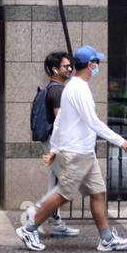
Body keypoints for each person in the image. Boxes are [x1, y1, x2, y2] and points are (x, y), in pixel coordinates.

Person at [17, 45, 127, 252]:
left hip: (84, 153)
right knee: (63, 194)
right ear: (90, 65)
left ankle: (106, 238)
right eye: (96, 62)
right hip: (77, 153)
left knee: (98, 192)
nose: (98, 66)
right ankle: (29, 228)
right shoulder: (78, 89)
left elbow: (61, 119)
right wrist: (120, 141)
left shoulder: (73, 87)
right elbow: (93, 122)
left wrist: (54, 148)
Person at [35, 50, 80, 238]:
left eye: (70, 65)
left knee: (57, 182)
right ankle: (34, 217)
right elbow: (61, 121)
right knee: (64, 183)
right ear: (55, 69)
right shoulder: (58, 90)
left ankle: (53, 220)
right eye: (66, 66)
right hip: (57, 143)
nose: (70, 69)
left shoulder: (53, 88)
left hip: (53, 142)